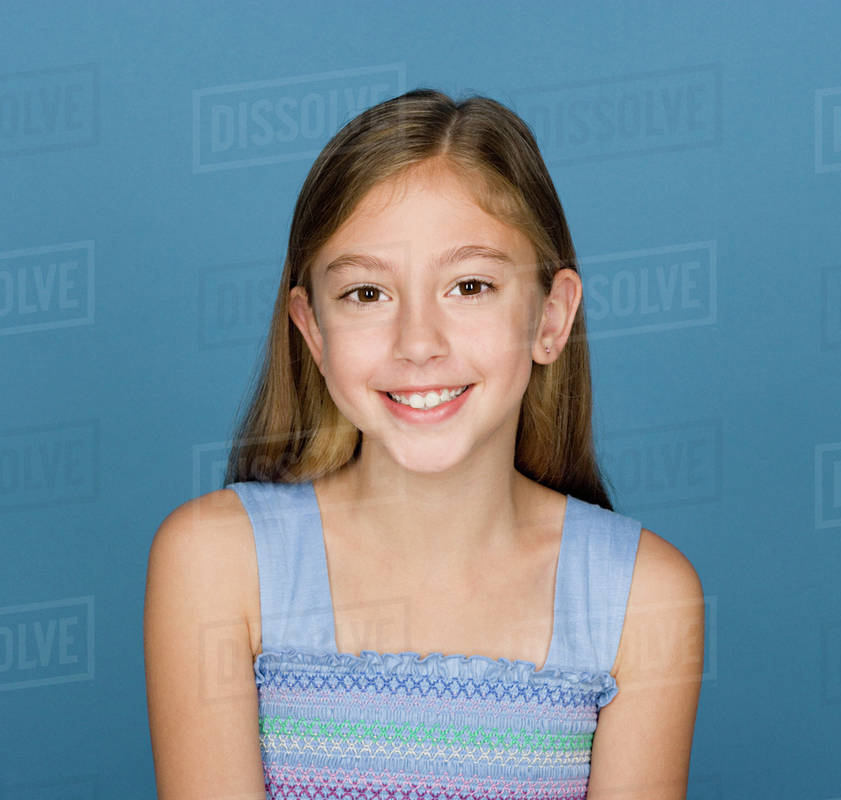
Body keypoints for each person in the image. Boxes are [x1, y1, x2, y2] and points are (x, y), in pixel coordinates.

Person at [143, 89, 704, 799]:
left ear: (551, 319)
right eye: (366, 294)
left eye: (470, 286)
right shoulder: (216, 565)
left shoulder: (641, 597)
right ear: (312, 330)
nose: (418, 345)